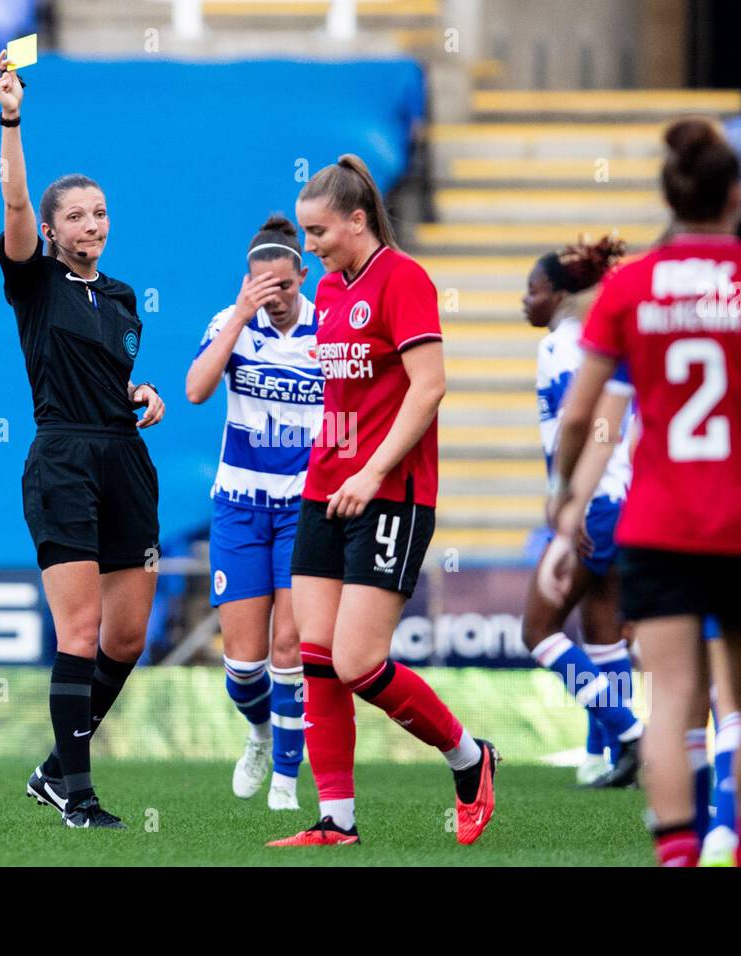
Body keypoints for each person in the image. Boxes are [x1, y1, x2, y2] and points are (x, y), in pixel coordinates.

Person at [543, 118, 741, 866]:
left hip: (657, 526)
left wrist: (565, 505)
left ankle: (677, 856)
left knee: (672, 701)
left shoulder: (630, 287)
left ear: (671, 196)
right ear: (735, 196)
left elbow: (582, 416)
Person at [266, 154, 497, 848]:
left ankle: (469, 757)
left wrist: (369, 472)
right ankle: (336, 820)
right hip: (324, 485)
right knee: (315, 654)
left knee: (358, 662)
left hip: (390, 492)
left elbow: (429, 386)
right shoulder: (333, 292)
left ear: (357, 220)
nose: (310, 247)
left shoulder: (404, 279)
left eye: (319, 231)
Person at [0, 50, 165, 829]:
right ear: (54, 232)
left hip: (125, 456)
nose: (91, 223)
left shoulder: (125, 298)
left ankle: (54, 767)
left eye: (99, 212)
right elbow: (17, 206)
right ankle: (80, 793)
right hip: (62, 458)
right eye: (77, 216)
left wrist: (142, 393)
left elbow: (110, 370)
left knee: (126, 638)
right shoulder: (34, 278)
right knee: (81, 630)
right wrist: (11, 118)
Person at [186, 215, 321, 811]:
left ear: (303, 275)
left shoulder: (329, 331)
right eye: (262, 288)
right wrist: (241, 315)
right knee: (243, 664)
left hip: (301, 510)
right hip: (239, 507)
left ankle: (289, 783)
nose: (276, 298)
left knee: (290, 649)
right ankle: (260, 735)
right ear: (247, 282)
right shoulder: (230, 323)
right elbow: (194, 390)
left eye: (284, 287)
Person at [522, 235, 643, 788]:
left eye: (535, 291)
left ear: (561, 296)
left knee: (538, 631)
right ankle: (608, 757)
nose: (526, 302)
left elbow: (585, 420)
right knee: (604, 632)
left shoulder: (563, 345)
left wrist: (572, 500)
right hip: (622, 498)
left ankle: (632, 735)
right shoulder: (601, 344)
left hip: (594, 501)